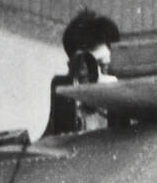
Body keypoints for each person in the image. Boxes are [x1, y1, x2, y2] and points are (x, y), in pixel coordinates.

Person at [44, 9, 120, 138]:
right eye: (91, 68)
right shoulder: (63, 94)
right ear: (73, 68)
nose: (99, 76)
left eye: (104, 67)